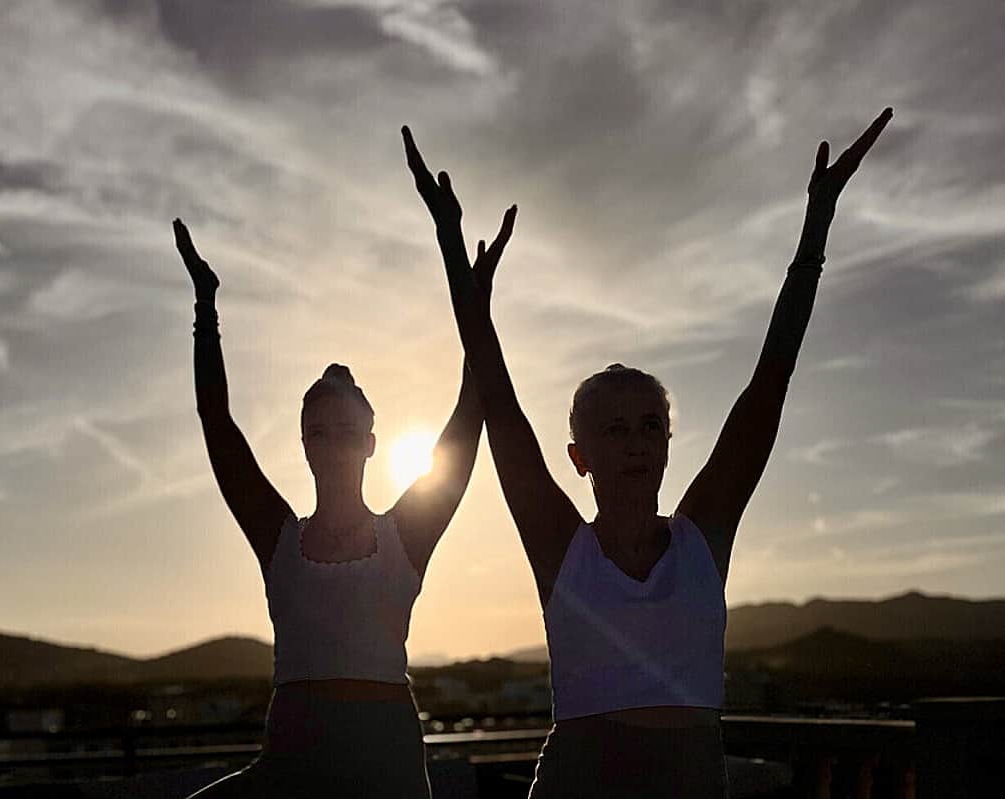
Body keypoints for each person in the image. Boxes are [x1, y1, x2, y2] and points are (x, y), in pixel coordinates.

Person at [403, 107, 893, 797]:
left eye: (650, 426)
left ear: (667, 443)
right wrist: (450, 240)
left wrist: (818, 222)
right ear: (579, 456)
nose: (636, 442)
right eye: (615, 429)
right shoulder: (562, 550)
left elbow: (770, 381)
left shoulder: (702, 539)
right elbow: (501, 403)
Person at [171, 209, 512, 798]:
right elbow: (217, 423)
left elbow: (470, 412)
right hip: (291, 764)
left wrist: (473, 298)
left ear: (371, 443)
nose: (332, 445)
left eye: (346, 431)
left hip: (385, 766)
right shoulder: (279, 539)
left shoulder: (404, 536)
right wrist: (206, 306)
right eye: (318, 431)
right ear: (303, 441)